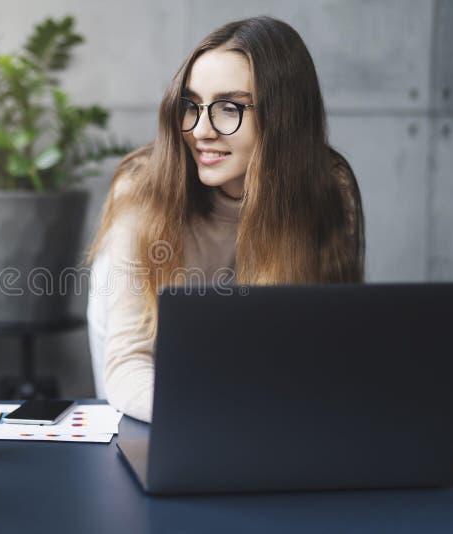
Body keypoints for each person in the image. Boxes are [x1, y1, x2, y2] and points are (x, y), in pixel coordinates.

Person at [86, 16, 365, 423]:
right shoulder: (144, 189)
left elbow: (332, 341)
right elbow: (128, 366)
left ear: (283, 116)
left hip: (259, 404)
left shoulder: (327, 187)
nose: (200, 130)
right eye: (191, 106)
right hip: (167, 403)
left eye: (228, 108)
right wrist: (223, 416)